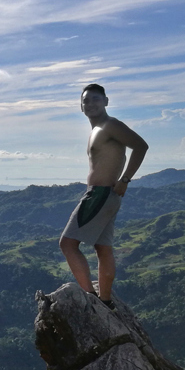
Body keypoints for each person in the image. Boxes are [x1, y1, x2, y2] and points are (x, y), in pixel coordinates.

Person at [59, 83, 148, 310]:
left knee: (67, 244)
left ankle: (90, 298)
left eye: (96, 99)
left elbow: (140, 146)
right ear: (81, 106)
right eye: (86, 100)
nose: (90, 104)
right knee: (103, 248)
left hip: (100, 194)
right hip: (108, 196)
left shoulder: (110, 125)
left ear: (106, 101)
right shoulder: (98, 129)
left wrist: (126, 180)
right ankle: (105, 301)